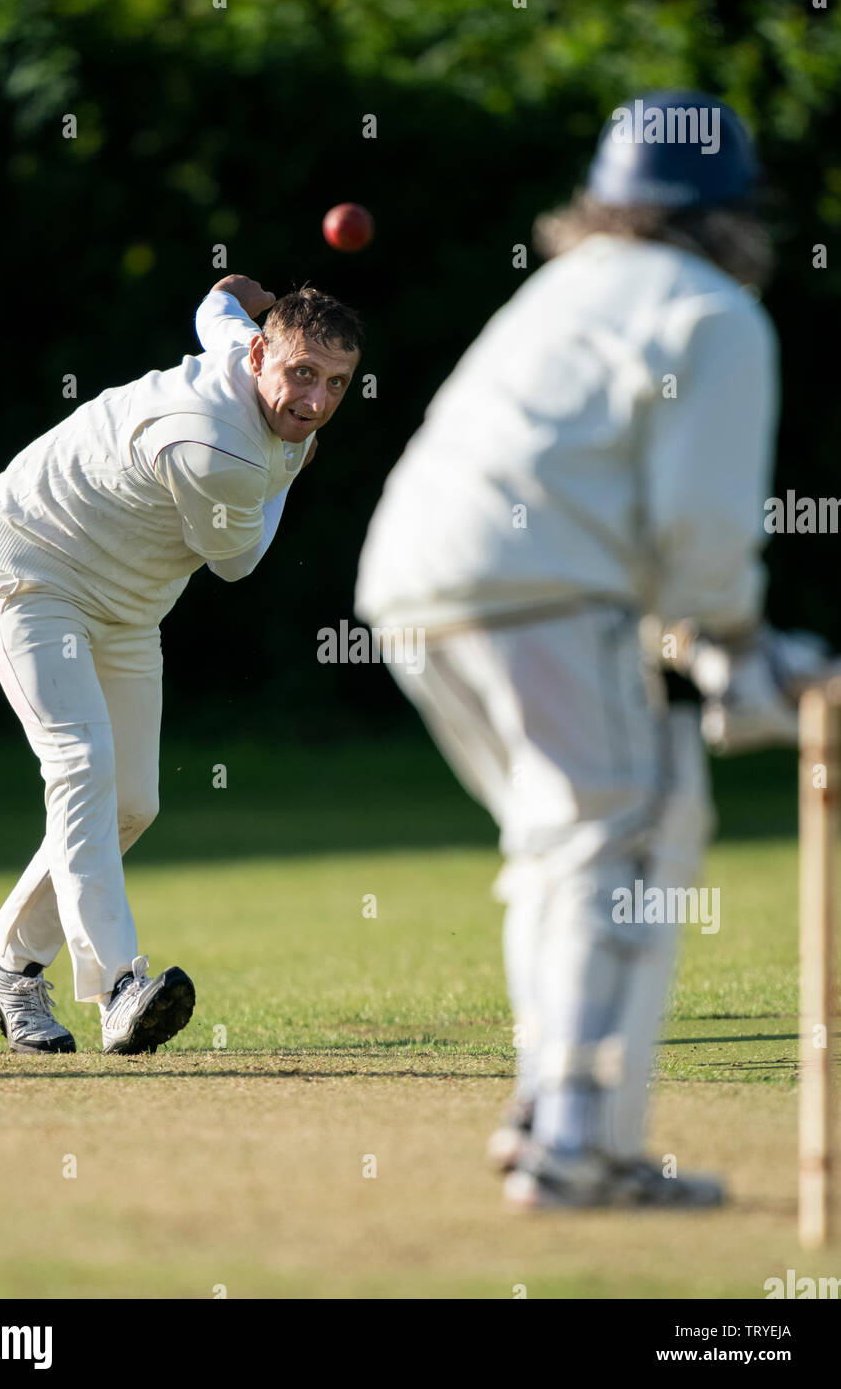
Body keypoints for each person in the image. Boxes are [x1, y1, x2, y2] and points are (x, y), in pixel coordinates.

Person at [356, 90, 801, 1208]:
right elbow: (697, 534)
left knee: (564, 845)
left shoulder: (557, 291)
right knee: (630, 838)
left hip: (409, 582)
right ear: (728, 213)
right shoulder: (711, 312)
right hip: (535, 588)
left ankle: (551, 1114)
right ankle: (575, 1142)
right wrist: (740, 647)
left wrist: (709, 652)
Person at [0, 275, 363, 1055]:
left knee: (132, 805)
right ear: (259, 357)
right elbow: (239, 562)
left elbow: (216, 309)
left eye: (337, 383)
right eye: (302, 374)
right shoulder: (218, 450)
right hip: (31, 568)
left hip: (127, 604)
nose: (314, 402)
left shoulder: (240, 347)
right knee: (82, 766)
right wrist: (295, 460)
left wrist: (228, 292)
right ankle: (121, 988)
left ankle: (6, 962)